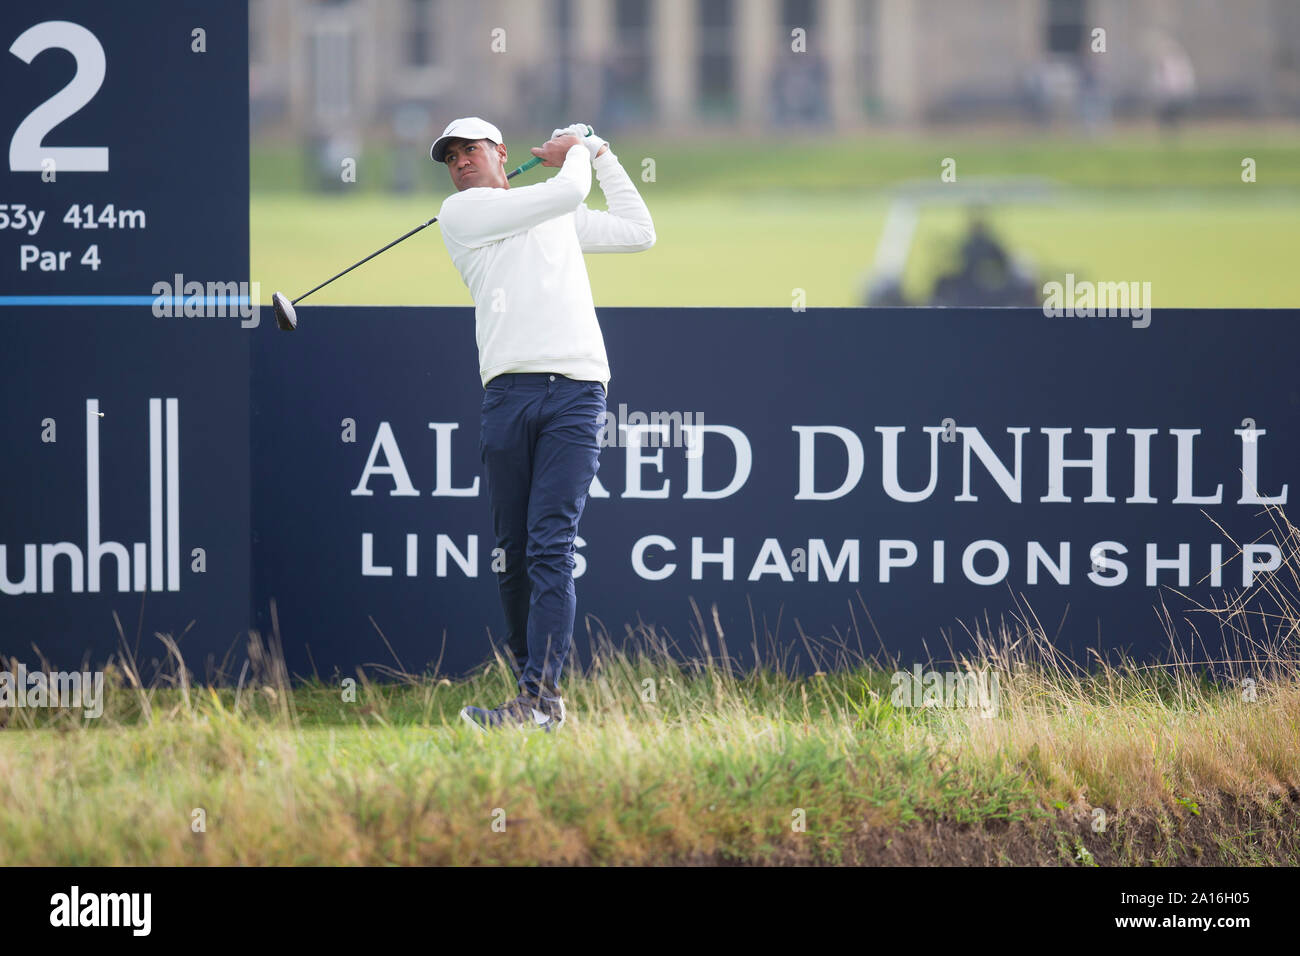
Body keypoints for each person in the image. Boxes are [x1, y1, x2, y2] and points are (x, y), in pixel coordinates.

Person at [429, 117, 655, 732]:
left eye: (470, 150)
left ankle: (538, 700)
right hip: (508, 391)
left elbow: (639, 231)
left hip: (577, 389)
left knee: (552, 542)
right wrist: (577, 150)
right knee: (514, 552)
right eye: (450, 157)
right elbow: (566, 191)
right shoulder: (463, 213)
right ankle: (537, 700)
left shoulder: (549, 209)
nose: (460, 162)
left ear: (500, 152)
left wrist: (602, 153)